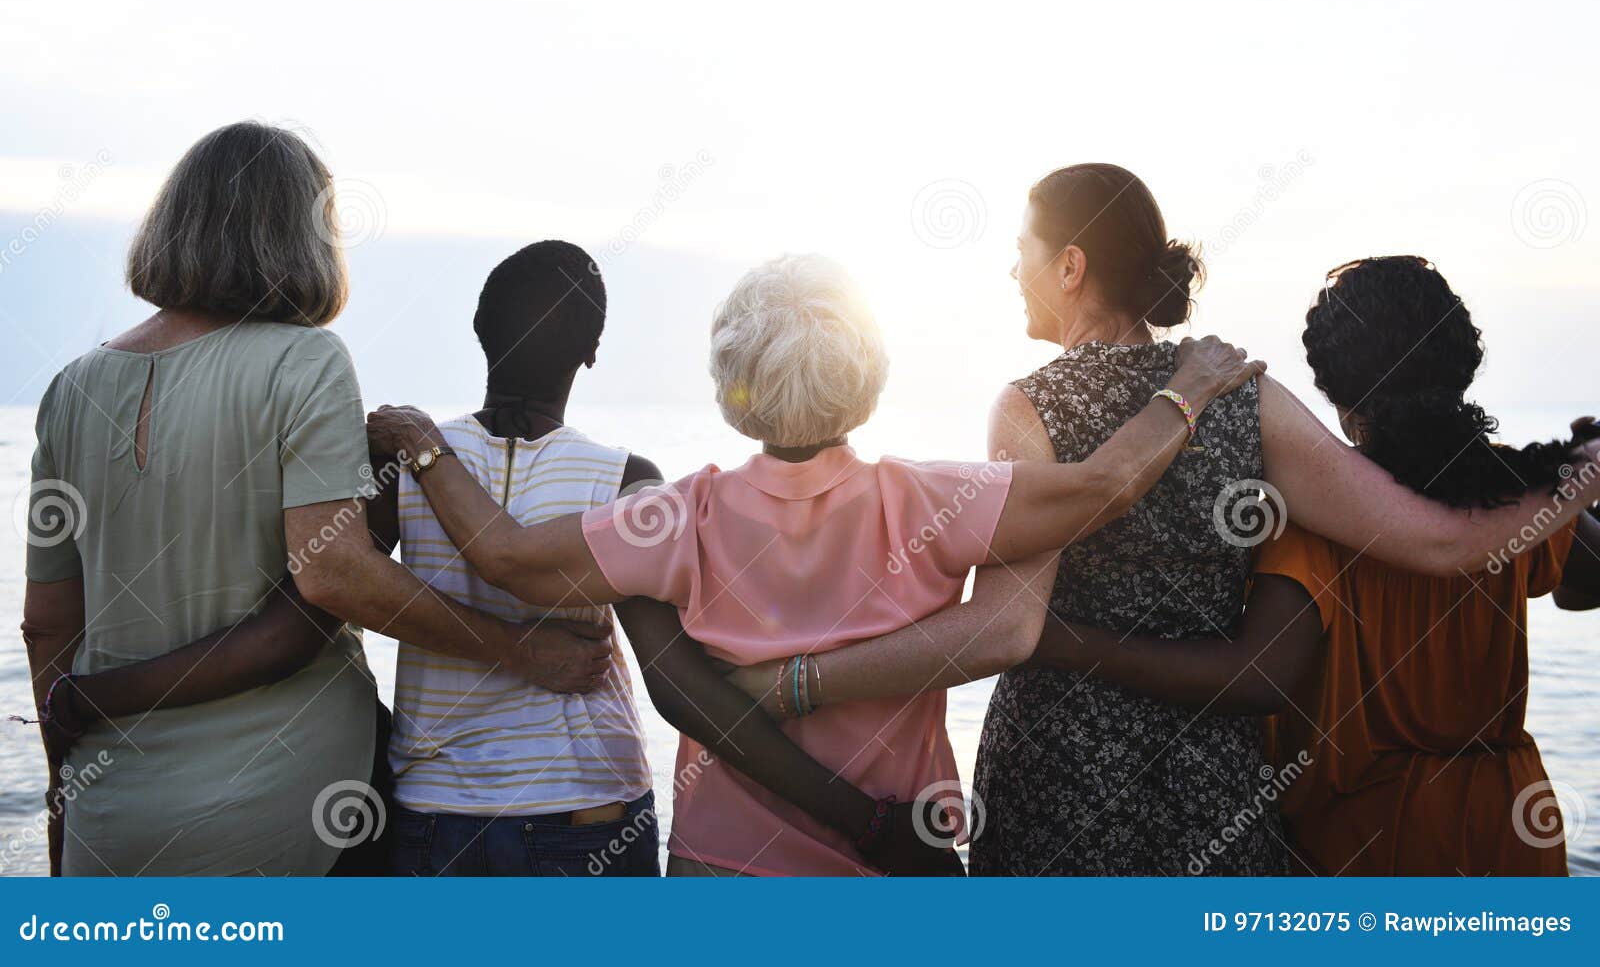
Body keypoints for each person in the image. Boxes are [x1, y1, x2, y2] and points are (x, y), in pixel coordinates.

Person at [711, 166, 1600, 876]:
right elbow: (1439, 539)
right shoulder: (1247, 393)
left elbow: (1009, 626)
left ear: (1071, 267)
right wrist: (1575, 478)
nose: (1009, 271)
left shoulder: (1030, 405)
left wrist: (796, 681)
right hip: (1212, 780)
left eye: (1021, 251)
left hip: (1061, 769)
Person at [367, 251, 1268, 874]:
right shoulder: (932, 502)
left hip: (724, 867)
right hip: (891, 861)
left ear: (731, 377)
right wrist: (1182, 393)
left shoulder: (681, 514)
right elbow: (1104, 488)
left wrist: (422, 446)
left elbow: (506, 554)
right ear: (866, 369)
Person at [20, 123, 647, 875]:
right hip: (295, 810)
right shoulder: (304, 360)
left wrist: (67, 795)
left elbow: (47, 625)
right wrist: (522, 651)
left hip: (117, 817)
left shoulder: (69, 390)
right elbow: (333, 576)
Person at [1028, 256, 1600, 874]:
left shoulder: (1319, 516)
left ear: (1336, 390)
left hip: (1367, 841)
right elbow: (1583, 585)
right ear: (1460, 363)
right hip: (1510, 827)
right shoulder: (1516, 495)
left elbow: (1257, 678)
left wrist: (1065, 643)